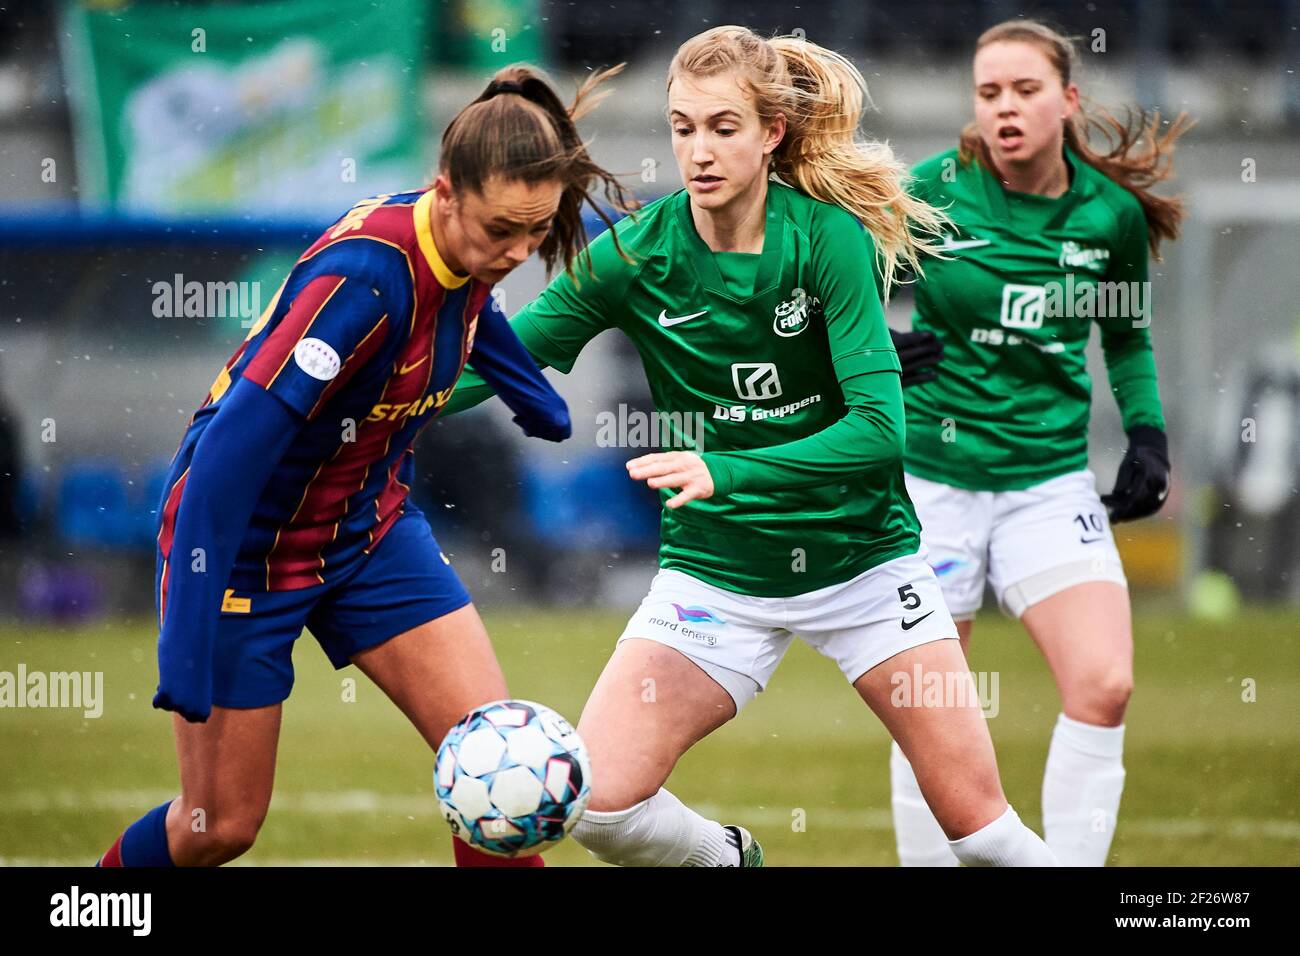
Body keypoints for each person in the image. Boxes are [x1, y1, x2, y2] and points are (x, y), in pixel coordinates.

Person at [443, 25, 1060, 867]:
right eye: (683, 125)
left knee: (984, 838)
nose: (698, 150)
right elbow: (499, 360)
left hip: (866, 568)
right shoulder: (633, 255)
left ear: (772, 132)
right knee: (599, 807)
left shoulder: (826, 240)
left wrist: (723, 467)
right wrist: (367, 399)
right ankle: (728, 861)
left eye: (723, 127)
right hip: (719, 577)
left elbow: (881, 433)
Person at [96, 65, 633, 868]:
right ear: (445, 192)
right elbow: (221, 464)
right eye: (503, 232)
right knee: (219, 826)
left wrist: (532, 395)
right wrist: (186, 639)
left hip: (369, 534)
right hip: (248, 553)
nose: (521, 253)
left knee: (501, 771)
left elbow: (465, 305)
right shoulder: (362, 280)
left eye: (536, 231)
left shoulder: (461, 253)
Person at [887, 19, 1189, 866]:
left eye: (1024, 90)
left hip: (1048, 485)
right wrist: (879, 342)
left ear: (1068, 100)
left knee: (1105, 684)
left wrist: (1149, 437)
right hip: (933, 485)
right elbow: (837, 287)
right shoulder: (928, 192)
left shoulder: (1111, 218)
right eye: (989, 94)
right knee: (929, 704)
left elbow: (1125, 338)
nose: (1005, 108)